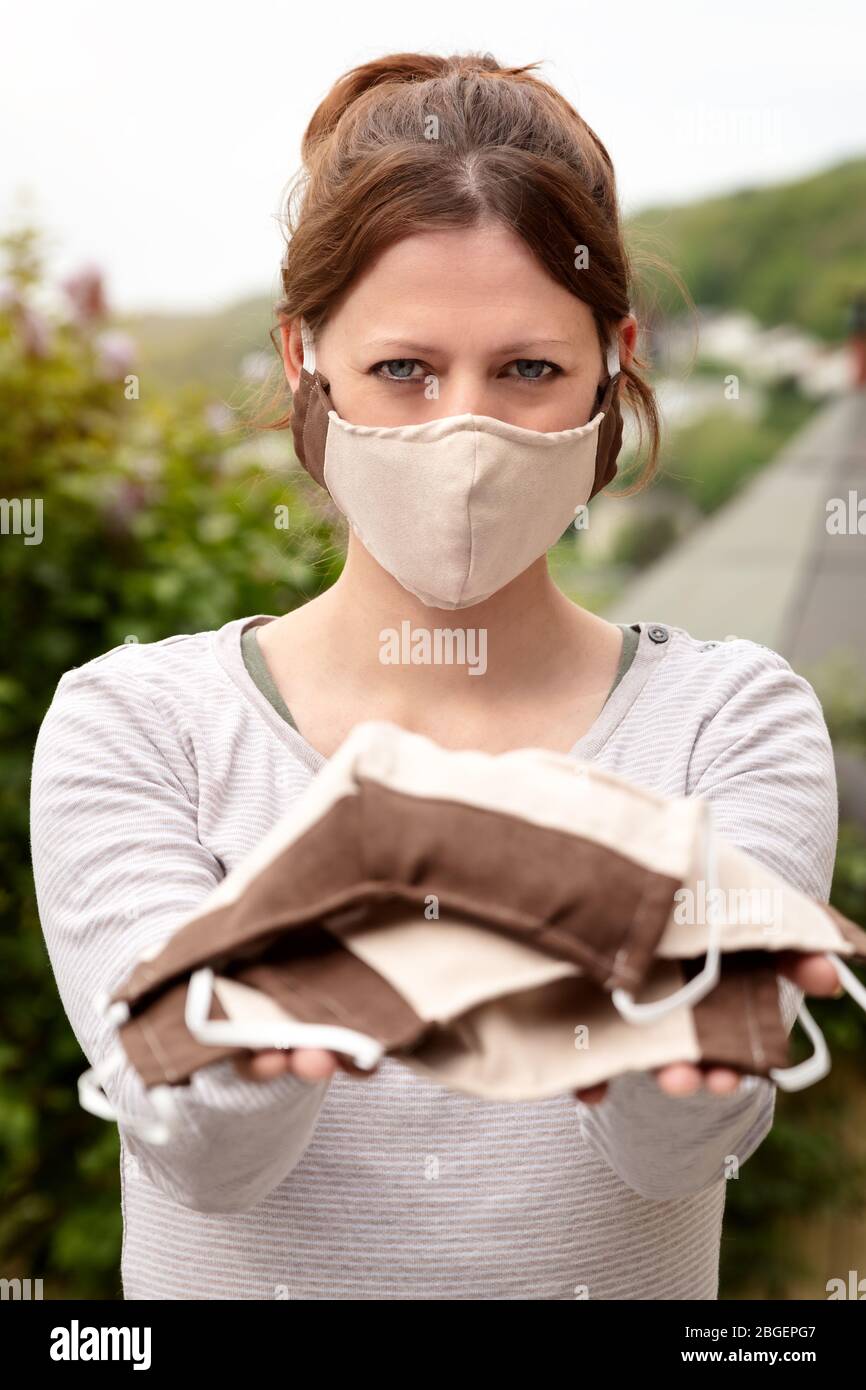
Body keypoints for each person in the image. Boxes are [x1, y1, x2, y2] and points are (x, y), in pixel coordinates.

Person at [30, 50, 844, 1301]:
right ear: (303, 355)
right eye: (403, 370)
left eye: (526, 371)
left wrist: (684, 1036)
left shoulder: (729, 719)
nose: (462, 433)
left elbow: (672, 1142)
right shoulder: (137, 723)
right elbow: (200, 1151)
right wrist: (276, 1007)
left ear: (612, 359)